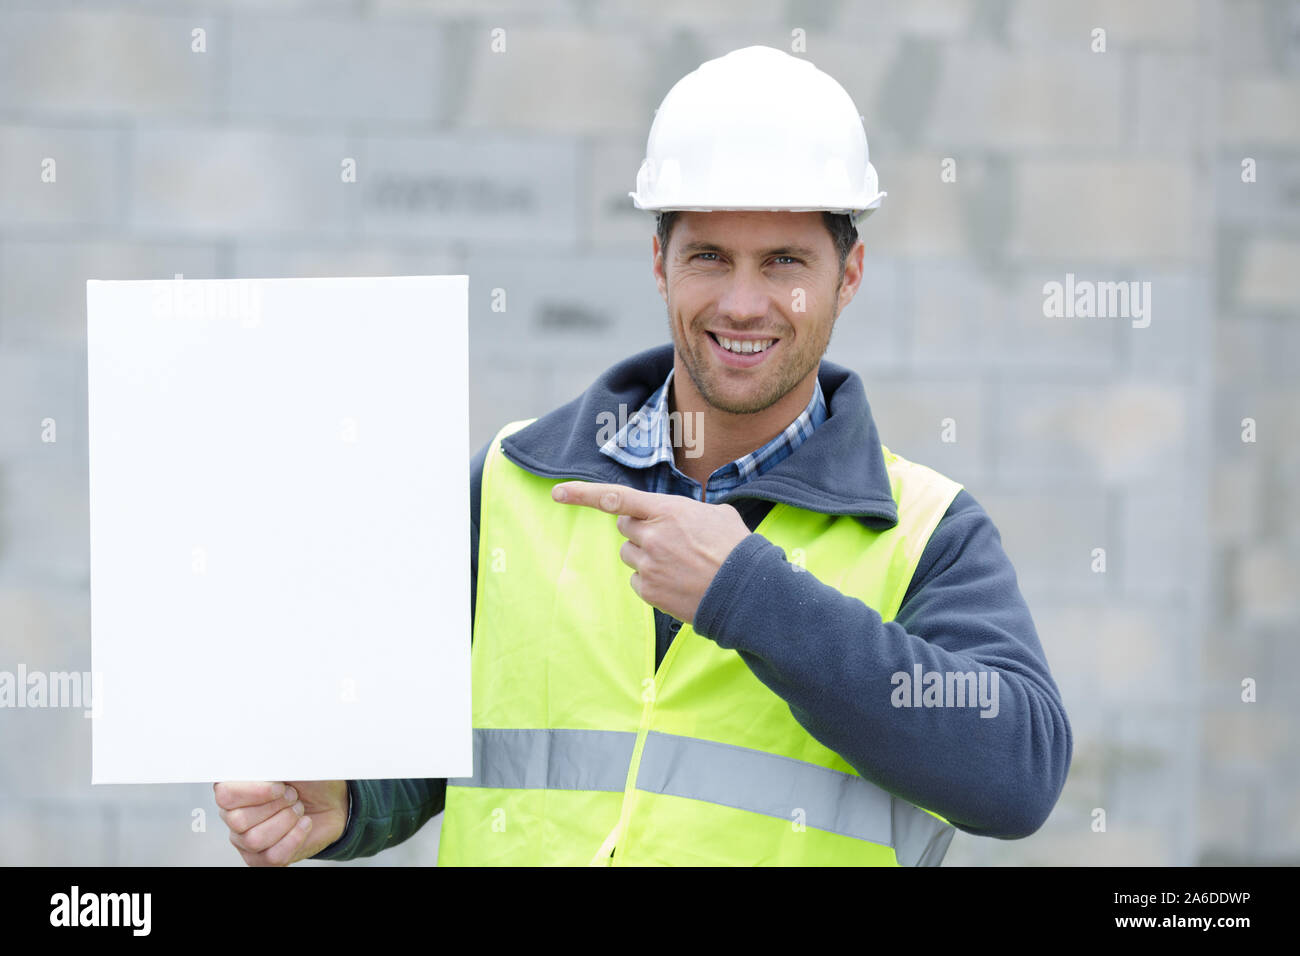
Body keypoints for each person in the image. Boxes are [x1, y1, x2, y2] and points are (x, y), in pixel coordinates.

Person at [215, 45, 1071, 867]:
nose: (743, 303)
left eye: (783, 263)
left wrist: (749, 595)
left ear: (847, 276)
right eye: (709, 257)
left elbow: (1016, 775)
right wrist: (350, 802)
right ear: (659, 262)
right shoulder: (515, 480)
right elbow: (451, 749)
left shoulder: (925, 533)